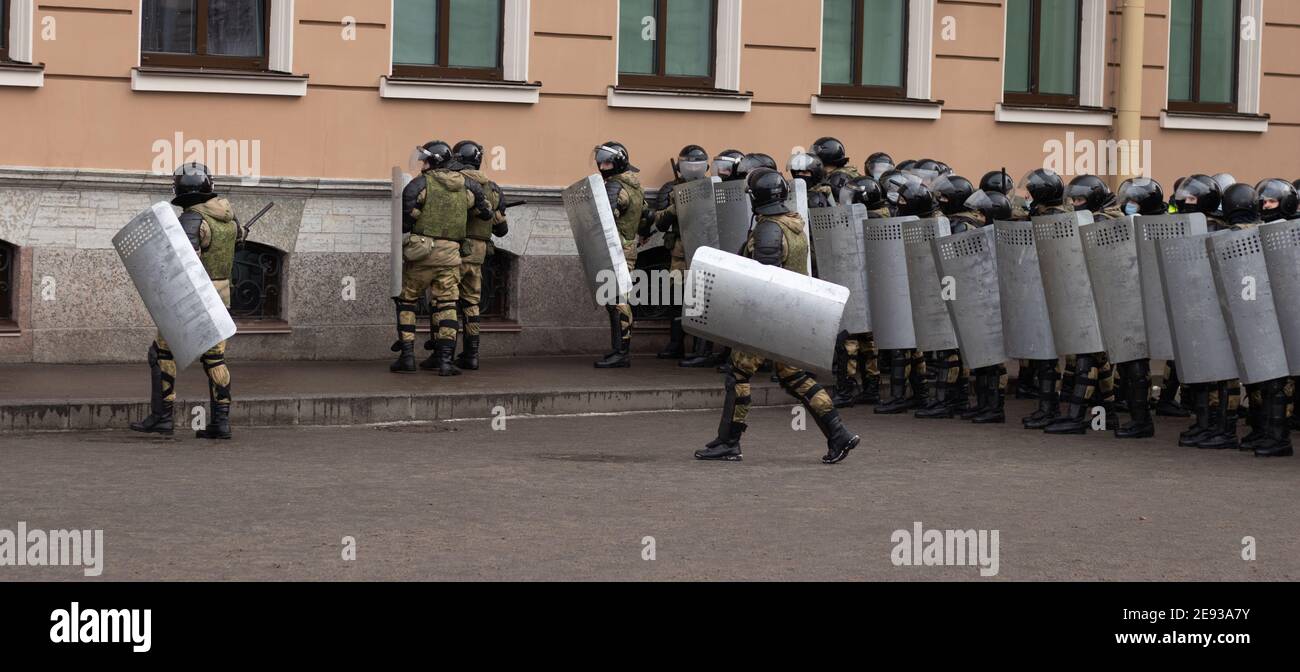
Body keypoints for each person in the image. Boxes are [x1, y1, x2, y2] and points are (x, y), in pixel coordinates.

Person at [695, 168, 861, 465]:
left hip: (767, 319)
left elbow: (764, 279)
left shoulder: (769, 229)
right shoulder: (792, 223)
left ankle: (729, 443)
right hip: (789, 316)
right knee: (796, 377)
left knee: (738, 374)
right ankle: (839, 435)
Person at [131, 163, 242, 440]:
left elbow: (183, 261)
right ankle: (221, 423)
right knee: (215, 359)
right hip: (220, 299)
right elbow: (237, 240)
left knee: (161, 353)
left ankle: (162, 418)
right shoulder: (229, 219)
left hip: (190, 300)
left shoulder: (192, 218)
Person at [393, 141, 494, 377]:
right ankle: (446, 362)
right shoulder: (468, 186)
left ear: (435, 161)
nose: (422, 164)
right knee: (448, 305)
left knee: (407, 301)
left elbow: (405, 217)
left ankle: (407, 357)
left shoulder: (420, 184)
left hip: (421, 255)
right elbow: (485, 212)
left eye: (425, 160)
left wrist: (419, 217)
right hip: (451, 256)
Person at [947, 187, 1011, 424]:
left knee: (994, 359)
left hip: (992, 303)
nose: (975, 218)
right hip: (979, 298)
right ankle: (984, 404)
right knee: (981, 357)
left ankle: (995, 407)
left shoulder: (1000, 239)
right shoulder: (984, 236)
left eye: (980, 214)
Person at [642, 145, 710, 363]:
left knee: (702, 298)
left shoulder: (711, 188)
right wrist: (674, 206)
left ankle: (701, 350)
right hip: (680, 252)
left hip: (705, 251)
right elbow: (661, 223)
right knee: (677, 297)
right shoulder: (672, 190)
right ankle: (676, 344)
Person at [449, 140, 510, 372]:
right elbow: (501, 230)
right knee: (471, 304)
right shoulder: (493, 188)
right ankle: (472, 355)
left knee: (446, 303)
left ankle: (444, 353)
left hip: (455, 250)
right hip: (479, 254)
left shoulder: (457, 183)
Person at [1019, 168, 1070, 430]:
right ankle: (1045, 407)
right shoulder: (1040, 214)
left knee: (1049, 356)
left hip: (1052, 291)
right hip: (1040, 289)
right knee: (1043, 355)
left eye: (1031, 193)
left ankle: (1051, 408)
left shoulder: (1055, 219)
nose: (1027, 197)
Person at [592, 141, 646, 369]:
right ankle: (617, 350)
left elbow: (607, 217)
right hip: (627, 247)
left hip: (617, 250)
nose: (602, 164)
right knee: (614, 300)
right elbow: (645, 216)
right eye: (601, 159)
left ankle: (622, 353)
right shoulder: (635, 186)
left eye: (607, 160)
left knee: (618, 301)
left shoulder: (614, 186)